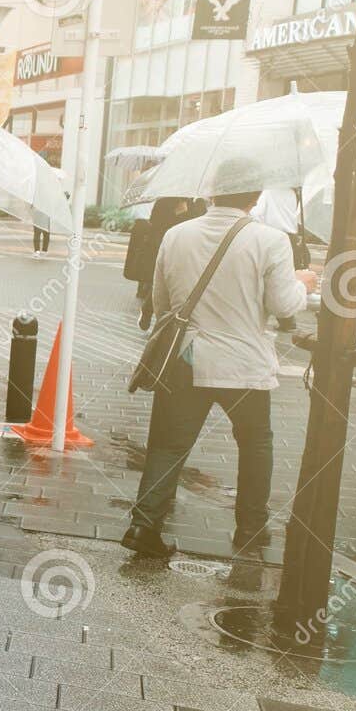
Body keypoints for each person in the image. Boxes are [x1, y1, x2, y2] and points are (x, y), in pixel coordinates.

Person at [123, 163, 320, 559]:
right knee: (254, 443)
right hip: (243, 363)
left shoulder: (176, 235)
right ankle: (250, 528)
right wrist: (304, 284)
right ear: (256, 196)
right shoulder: (270, 240)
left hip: (184, 358)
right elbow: (283, 305)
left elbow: (161, 303)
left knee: (167, 445)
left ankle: (145, 525)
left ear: (211, 192)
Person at [124, 197, 194, 331]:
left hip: (186, 247)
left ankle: (150, 309)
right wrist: (177, 213)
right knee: (164, 280)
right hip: (163, 245)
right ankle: (149, 311)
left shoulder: (197, 203)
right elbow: (155, 222)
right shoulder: (165, 201)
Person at [251, 186, 309, 332]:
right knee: (284, 279)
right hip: (291, 236)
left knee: (268, 277)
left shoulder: (268, 191)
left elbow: (256, 214)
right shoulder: (292, 193)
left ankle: (284, 318)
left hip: (272, 236)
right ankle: (288, 319)